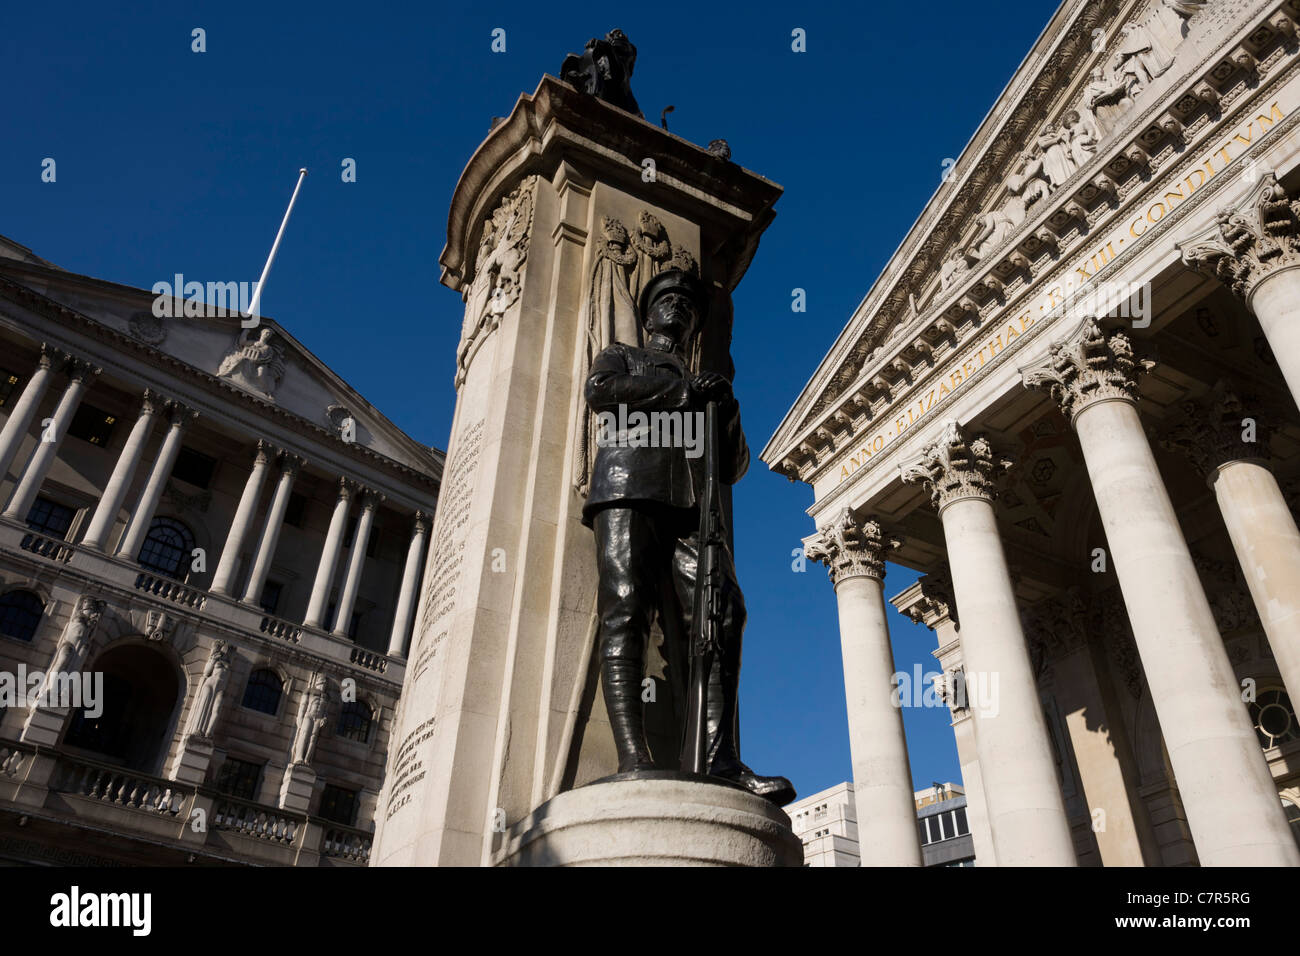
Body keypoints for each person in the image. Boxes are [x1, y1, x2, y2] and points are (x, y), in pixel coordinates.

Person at [582, 267, 795, 805]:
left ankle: (720, 761)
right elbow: (601, 391)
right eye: (667, 298)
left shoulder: (710, 385)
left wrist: (724, 408)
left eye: (687, 303)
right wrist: (682, 390)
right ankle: (634, 755)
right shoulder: (624, 355)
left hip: (693, 510)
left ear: (697, 324)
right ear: (649, 312)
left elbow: (736, 464)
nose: (677, 307)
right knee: (626, 610)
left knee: (722, 609)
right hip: (629, 487)